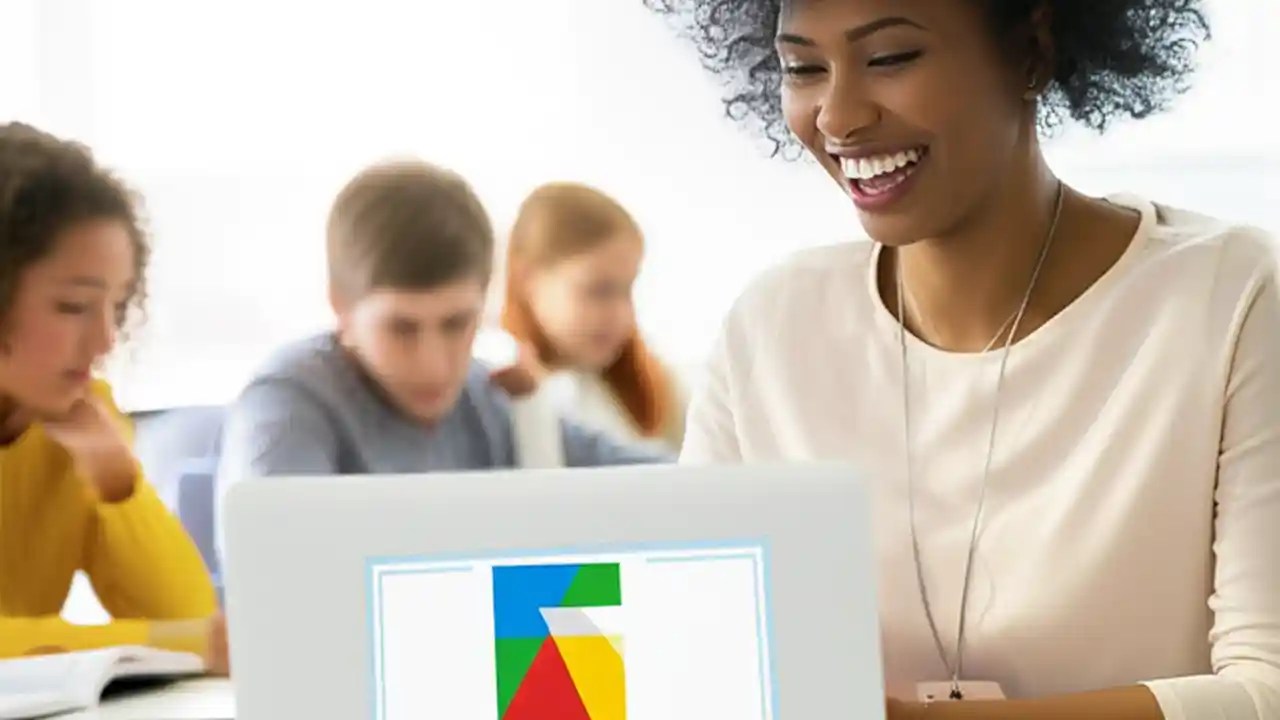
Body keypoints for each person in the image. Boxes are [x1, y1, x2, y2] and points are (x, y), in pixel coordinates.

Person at [647, 1, 1277, 718]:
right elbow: (695, 647)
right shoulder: (771, 328)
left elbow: (1265, 690)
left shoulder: (1228, 297)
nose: (838, 117)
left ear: (1033, 50)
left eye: (888, 59)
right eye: (804, 69)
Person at [215, 161, 668, 548]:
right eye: (401, 328)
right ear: (341, 307)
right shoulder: (289, 402)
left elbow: (666, 482)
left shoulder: (490, 395)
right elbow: (278, 571)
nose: (435, 364)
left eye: (457, 324)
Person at [0, 122, 226, 673]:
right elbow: (195, 640)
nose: (104, 342)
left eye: (117, 306)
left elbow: (192, 616)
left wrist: (117, 483)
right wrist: (172, 642)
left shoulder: (78, 421)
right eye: (74, 307)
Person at [502, 182, 687, 452]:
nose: (622, 314)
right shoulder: (500, 401)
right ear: (528, 279)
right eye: (599, 291)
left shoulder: (662, 389)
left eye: (628, 289)